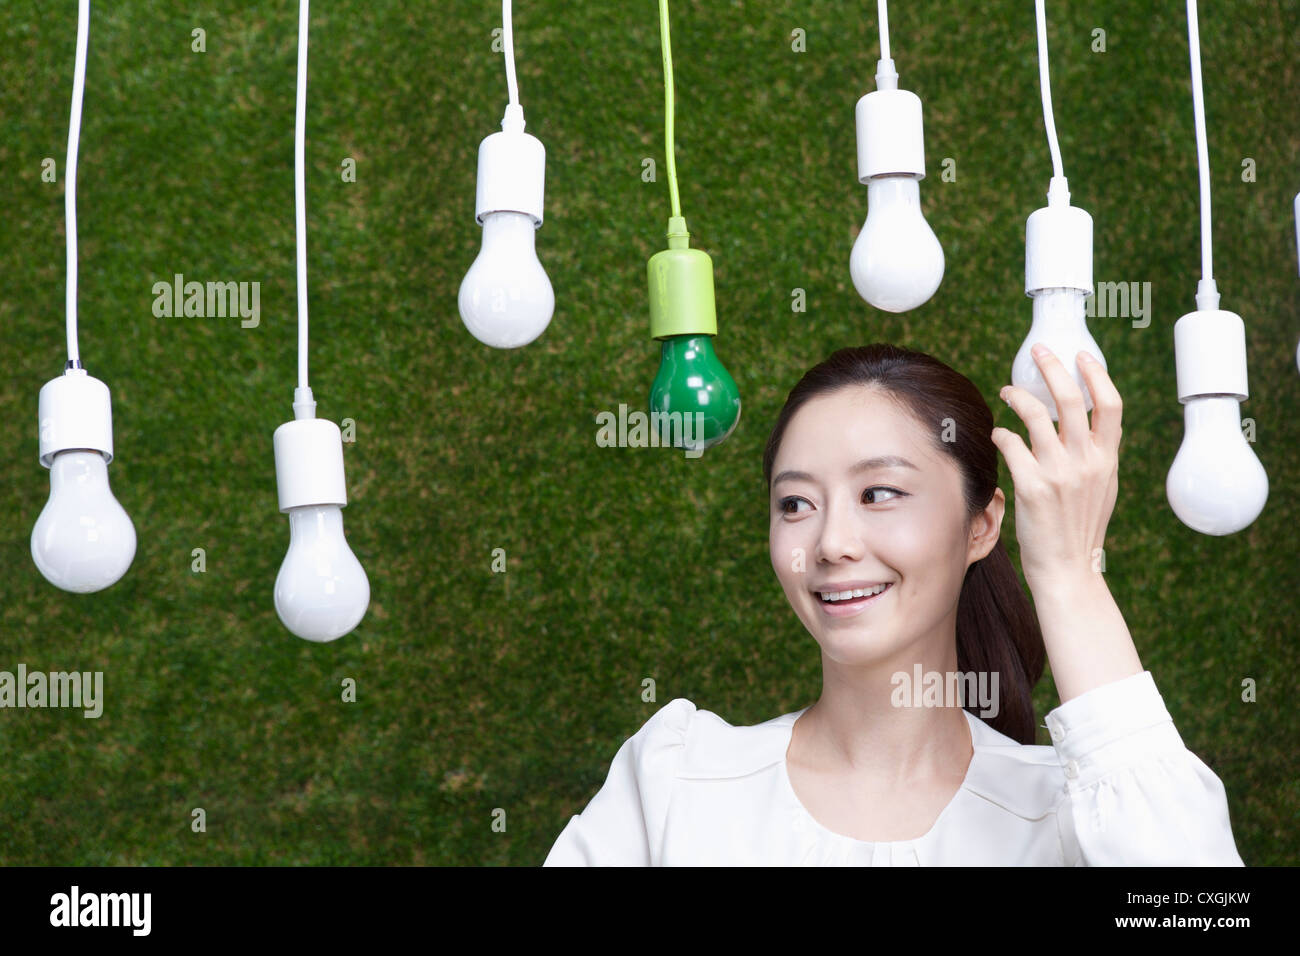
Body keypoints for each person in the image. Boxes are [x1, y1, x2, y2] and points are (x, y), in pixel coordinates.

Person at [543, 343, 1244, 865]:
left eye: (879, 493)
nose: (832, 542)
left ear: (981, 525)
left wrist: (1069, 576)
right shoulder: (679, 780)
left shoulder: (1075, 813)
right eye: (796, 503)